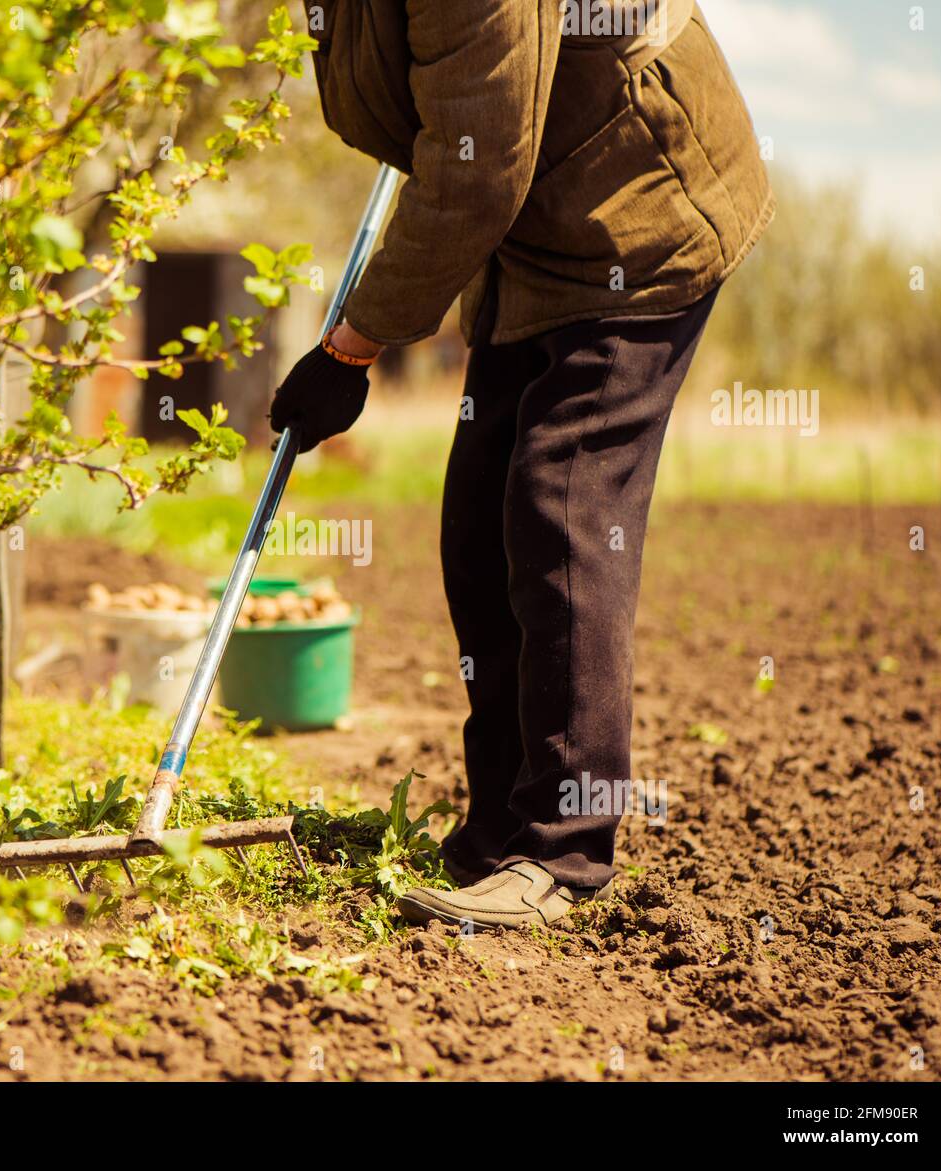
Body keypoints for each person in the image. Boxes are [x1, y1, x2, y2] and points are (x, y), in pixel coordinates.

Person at [268, 0, 773, 930]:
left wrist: (351, 345)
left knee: (561, 503)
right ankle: (497, 827)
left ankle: (561, 852)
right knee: (476, 522)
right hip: (536, 233)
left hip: (640, 213)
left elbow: (478, 163)